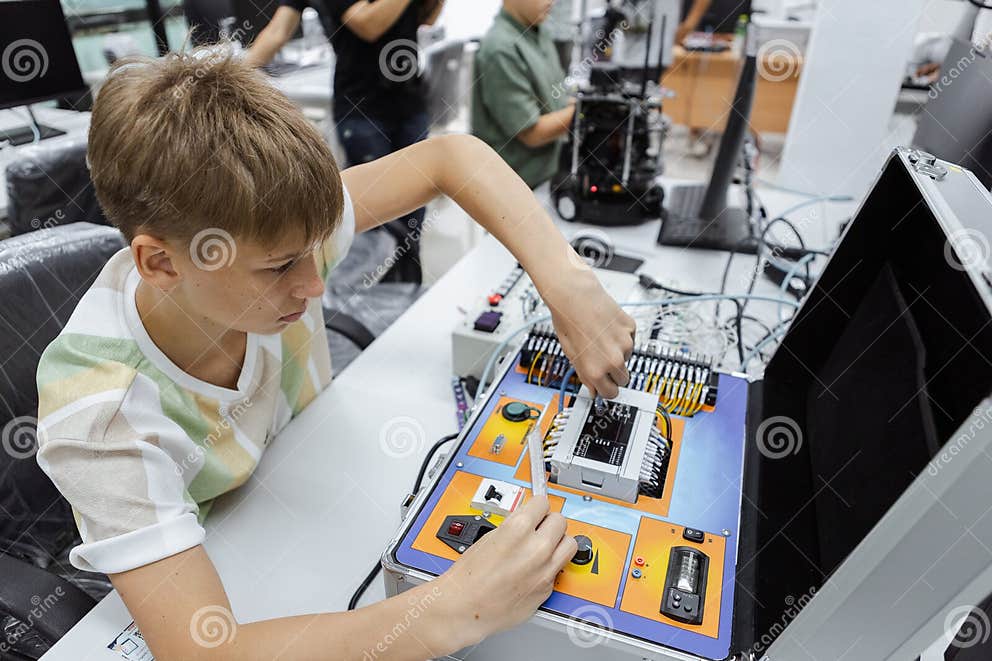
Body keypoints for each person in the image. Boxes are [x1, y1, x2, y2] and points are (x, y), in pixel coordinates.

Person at [34, 50, 637, 658]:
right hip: (230, 572)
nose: (315, 283)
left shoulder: (277, 229)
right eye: (280, 269)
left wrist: (565, 280)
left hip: (312, 488)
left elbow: (452, 158)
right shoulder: (100, 414)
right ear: (161, 263)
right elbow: (202, 652)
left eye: (313, 250)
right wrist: (452, 612)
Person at [246, 0, 445, 285]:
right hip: (363, 110)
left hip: (409, 103)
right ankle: (377, 303)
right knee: (379, 224)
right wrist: (230, 79)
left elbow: (425, 19)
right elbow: (368, 24)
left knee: (413, 218)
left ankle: (406, 293)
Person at [471, 0, 575, 189]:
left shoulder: (539, 31)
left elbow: (554, 100)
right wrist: (584, 112)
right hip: (516, 183)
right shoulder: (500, 49)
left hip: (549, 170)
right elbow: (531, 133)